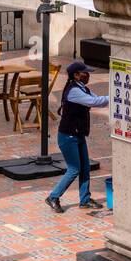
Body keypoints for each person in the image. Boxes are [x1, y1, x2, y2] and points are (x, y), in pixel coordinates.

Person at [46, 61, 109, 213]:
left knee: (85, 168)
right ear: (76, 75)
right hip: (68, 137)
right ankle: (53, 197)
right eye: (84, 73)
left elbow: (98, 99)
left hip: (78, 134)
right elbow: (95, 102)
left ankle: (85, 199)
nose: (88, 75)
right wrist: (117, 95)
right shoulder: (74, 91)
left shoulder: (83, 88)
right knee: (74, 169)